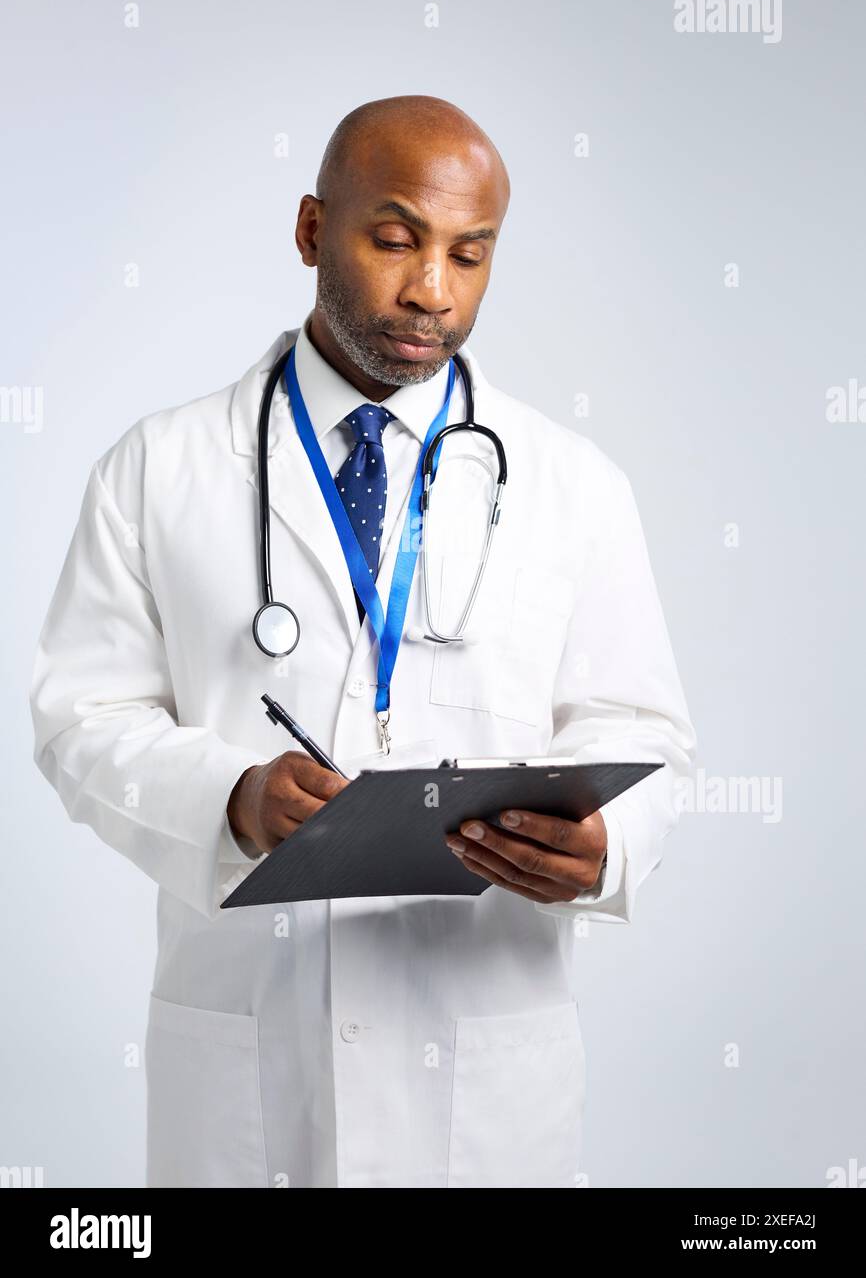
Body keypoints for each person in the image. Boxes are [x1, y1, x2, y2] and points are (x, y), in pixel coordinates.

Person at [30, 94, 696, 1189]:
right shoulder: (157, 470)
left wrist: (606, 846)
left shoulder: (573, 486)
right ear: (310, 231)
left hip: (487, 1071)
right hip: (249, 1069)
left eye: (467, 255)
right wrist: (230, 798)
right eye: (394, 239)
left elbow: (644, 732)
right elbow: (79, 721)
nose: (430, 290)